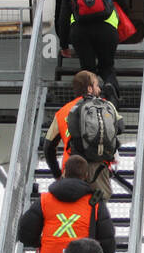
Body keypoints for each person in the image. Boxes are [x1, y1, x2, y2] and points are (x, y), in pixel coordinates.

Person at [16, 154, 116, 253]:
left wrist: (42, 243)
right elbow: (107, 239)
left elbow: (25, 232)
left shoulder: (45, 199)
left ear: (64, 172)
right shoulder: (94, 202)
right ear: (86, 175)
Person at [57, 0, 131, 103]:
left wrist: (64, 44)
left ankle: (90, 105)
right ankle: (110, 90)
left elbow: (63, 18)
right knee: (107, 67)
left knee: (88, 70)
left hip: (80, 32)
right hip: (107, 29)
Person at [44, 68, 121, 204]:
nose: (99, 89)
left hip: (72, 170)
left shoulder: (62, 112)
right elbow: (120, 127)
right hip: (99, 169)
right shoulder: (105, 105)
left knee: (73, 211)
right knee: (97, 212)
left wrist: (57, 174)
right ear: (90, 89)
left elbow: (48, 148)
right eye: (97, 85)